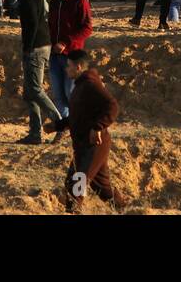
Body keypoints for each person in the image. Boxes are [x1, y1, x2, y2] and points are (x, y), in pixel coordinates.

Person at [45, 49, 124, 210]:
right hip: (83, 146)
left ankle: (73, 211)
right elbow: (78, 116)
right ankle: (127, 211)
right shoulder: (80, 86)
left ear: (78, 67)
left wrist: (98, 127)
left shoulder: (90, 84)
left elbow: (112, 106)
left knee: (76, 184)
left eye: (69, 66)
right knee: (103, 189)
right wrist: (57, 126)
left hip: (93, 145)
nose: (66, 69)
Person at [14, 0, 62, 144]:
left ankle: (60, 122)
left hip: (35, 46)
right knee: (29, 91)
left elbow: (32, 22)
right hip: (44, 43)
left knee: (35, 89)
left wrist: (28, 46)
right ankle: (35, 133)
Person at [47, 0, 92, 118]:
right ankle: (64, 128)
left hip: (72, 58)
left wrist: (65, 43)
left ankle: (79, 124)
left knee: (70, 94)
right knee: (59, 96)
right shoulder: (53, 4)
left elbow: (87, 28)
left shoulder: (79, 2)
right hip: (54, 56)